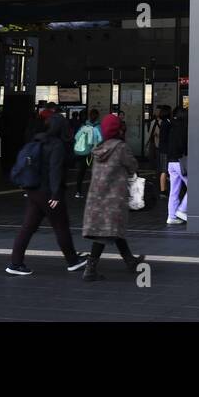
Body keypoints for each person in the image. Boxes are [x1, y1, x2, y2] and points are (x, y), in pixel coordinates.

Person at [6, 115, 88, 275]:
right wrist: (56, 194)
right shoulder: (56, 145)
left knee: (28, 227)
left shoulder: (37, 140)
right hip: (48, 192)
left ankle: (15, 263)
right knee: (61, 226)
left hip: (33, 190)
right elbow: (55, 171)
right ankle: (72, 261)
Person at [80, 114, 146, 281]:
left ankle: (130, 261)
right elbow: (133, 166)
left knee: (113, 231)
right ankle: (90, 269)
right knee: (105, 233)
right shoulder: (120, 147)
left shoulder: (98, 148)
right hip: (112, 198)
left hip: (96, 197)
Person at [165, 106, 189, 225]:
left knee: (174, 191)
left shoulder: (171, 126)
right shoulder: (184, 127)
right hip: (181, 161)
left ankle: (171, 216)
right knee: (194, 187)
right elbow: (183, 145)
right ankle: (182, 210)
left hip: (170, 161)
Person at [73, 108, 103, 198]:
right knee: (96, 173)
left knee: (81, 172)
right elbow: (100, 140)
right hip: (93, 153)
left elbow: (76, 137)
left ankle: (78, 192)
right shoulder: (98, 127)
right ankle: (95, 193)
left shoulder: (83, 125)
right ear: (97, 116)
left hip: (83, 151)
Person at [153, 105, 172, 197]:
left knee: (164, 170)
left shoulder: (164, 122)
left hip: (163, 148)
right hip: (165, 149)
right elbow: (165, 138)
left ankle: (163, 190)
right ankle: (163, 190)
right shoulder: (166, 123)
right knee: (164, 170)